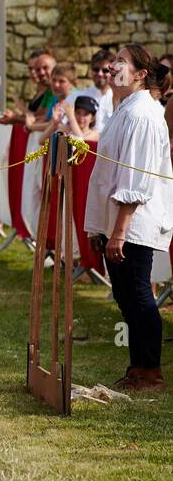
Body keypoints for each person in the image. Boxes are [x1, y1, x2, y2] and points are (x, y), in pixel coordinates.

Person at [84, 44, 173, 391]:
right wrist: (99, 227)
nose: (112, 66)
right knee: (125, 295)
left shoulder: (142, 115)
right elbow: (107, 173)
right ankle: (137, 367)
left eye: (121, 61)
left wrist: (119, 232)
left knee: (138, 294)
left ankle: (151, 371)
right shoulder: (124, 110)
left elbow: (137, 180)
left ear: (139, 74)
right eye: (113, 60)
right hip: (116, 222)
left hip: (133, 223)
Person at [29, 64, 79, 133]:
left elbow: (54, 125)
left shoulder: (76, 100)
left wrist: (31, 126)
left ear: (72, 83)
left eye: (61, 81)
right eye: (53, 80)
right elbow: (48, 119)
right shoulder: (56, 96)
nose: (56, 84)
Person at [74, 49, 115, 132]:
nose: (100, 74)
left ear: (113, 72)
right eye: (96, 69)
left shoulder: (120, 98)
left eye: (105, 70)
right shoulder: (79, 95)